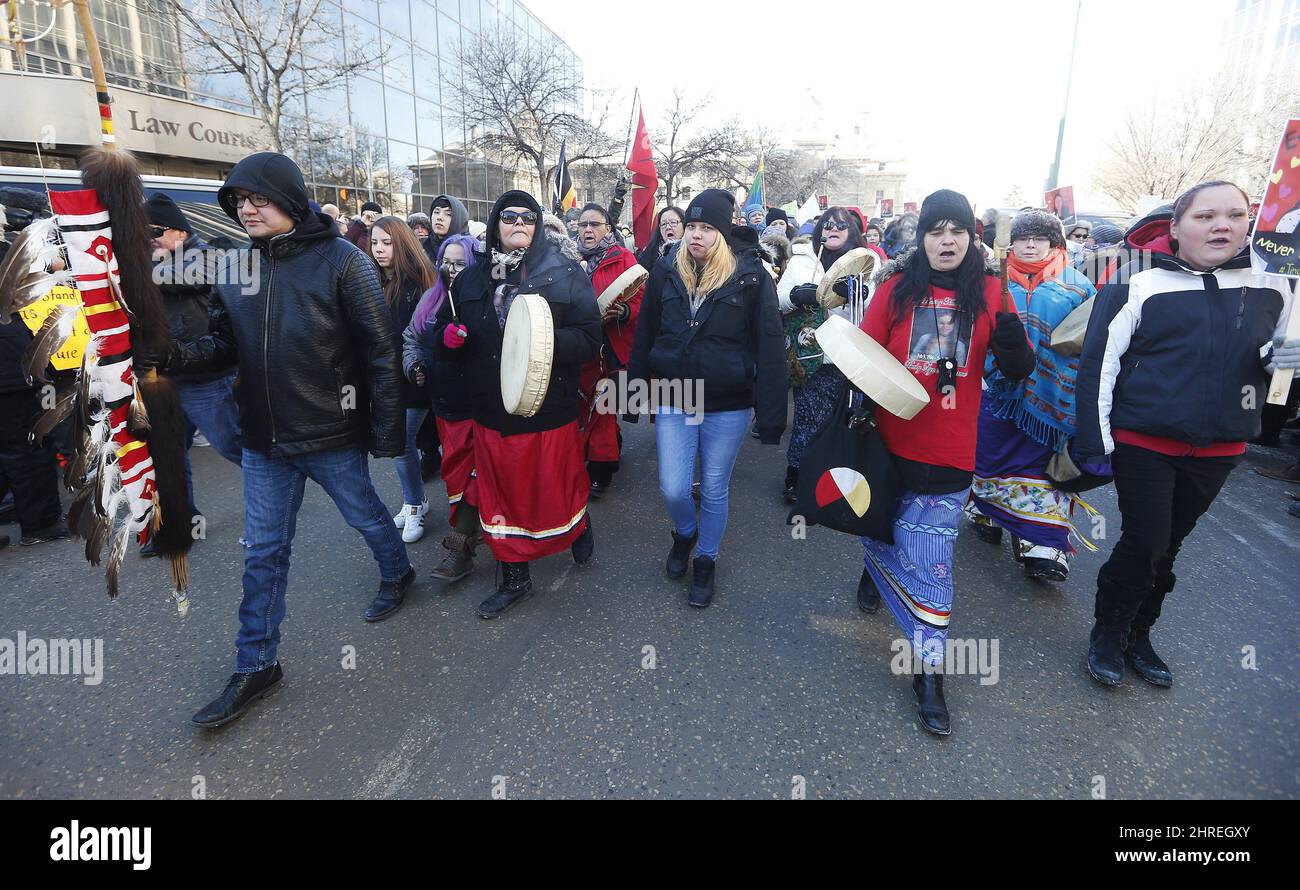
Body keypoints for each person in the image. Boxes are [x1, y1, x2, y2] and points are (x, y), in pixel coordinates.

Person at [168, 152, 412, 728]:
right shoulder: (235, 267)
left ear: (290, 199)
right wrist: (172, 356)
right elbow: (223, 347)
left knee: (367, 516)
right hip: (263, 442)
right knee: (264, 551)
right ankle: (256, 665)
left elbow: (381, 353)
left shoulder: (344, 262)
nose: (246, 209)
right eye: (238, 201)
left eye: (258, 198)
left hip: (329, 431)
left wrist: (385, 433)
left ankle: (397, 572)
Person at [1074, 181, 1297, 689]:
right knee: (1144, 541)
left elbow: (1269, 354)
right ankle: (1108, 631)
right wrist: (1095, 441)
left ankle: (1140, 632)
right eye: (1205, 216)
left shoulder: (1274, 282)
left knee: (1169, 547)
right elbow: (1099, 362)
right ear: (1175, 227)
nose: (1222, 225)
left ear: (1250, 224)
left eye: (1235, 215)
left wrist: (1283, 360)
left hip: (1221, 447)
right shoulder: (1136, 279)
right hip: (1144, 441)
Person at [857, 189, 1035, 735]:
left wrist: (1012, 344)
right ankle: (874, 571)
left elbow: (1016, 370)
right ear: (922, 237)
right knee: (883, 537)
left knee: (934, 566)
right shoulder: (894, 289)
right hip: (887, 449)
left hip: (951, 453)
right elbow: (861, 359)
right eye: (936, 230)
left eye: (957, 230)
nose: (947, 239)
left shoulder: (990, 291)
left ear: (970, 237)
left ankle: (929, 672)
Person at [432, 190, 600, 619]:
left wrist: (541, 344)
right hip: (491, 410)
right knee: (502, 494)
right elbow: (444, 334)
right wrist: (448, 342)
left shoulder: (565, 274)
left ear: (538, 225)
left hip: (550, 409)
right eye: (509, 217)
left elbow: (589, 337)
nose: (519, 223)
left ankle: (577, 525)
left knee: (556, 486)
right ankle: (514, 578)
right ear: (495, 225)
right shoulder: (469, 281)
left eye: (528, 217)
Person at [627, 188, 788, 608]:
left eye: (707, 228)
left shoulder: (751, 276)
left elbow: (771, 345)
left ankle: (706, 561)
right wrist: (634, 394)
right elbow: (646, 334)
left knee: (714, 487)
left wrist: (770, 417)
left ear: (724, 230)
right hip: (674, 394)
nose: (696, 235)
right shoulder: (666, 269)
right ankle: (684, 533)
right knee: (674, 488)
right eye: (692, 226)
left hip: (728, 400)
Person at [966, 209, 1097, 582]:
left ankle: (1042, 546)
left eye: (1039, 238)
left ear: (1054, 242)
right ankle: (987, 513)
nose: (1030, 244)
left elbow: (1089, 340)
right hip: (997, 390)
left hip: (1053, 397)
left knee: (1041, 469)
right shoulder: (992, 282)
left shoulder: (1077, 286)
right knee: (990, 456)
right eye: (1023, 238)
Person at [144, 193, 243, 554]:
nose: (147, 238)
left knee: (236, 445)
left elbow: (179, 278)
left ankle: (281, 491)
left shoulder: (209, 256)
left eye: (154, 230)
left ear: (181, 232)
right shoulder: (153, 262)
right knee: (168, 457)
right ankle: (177, 526)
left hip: (206, 376)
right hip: (165, 378)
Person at [777, 207, 871, 503]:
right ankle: (797, 473)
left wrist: (859, 294)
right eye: (827, 224)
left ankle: (834, 477)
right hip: (811, 354)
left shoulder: (867, 263)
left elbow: (879, 308)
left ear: (852, 232)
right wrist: (796, 295)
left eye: (841, 225)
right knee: (808, 418)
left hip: (849, 357)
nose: (833, 229)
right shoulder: (803, 260)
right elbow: (778, 300)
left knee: (843, 421)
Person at [404, 233, 482, 581]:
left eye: (459, 263)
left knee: (479, 474)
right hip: (445, 406)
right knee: (455, 474)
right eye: (446, 262)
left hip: (481, 406)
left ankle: (461, 546)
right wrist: (416, 367)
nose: (451, 269)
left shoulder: (488, 300)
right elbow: (412, 341)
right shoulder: (430, 300)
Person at [370, 216, 437, 544]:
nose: (379, 249)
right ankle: (416, 499)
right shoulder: (377, 280)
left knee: (401, 442)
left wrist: (417, 369)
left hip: (417, 377)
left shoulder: (421, 283)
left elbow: (421, 336)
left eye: (387, 242)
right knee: (401, 445)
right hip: (389, 378)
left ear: (402, 243)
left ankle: (415, 504)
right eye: (374, 242)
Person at [575, 203, 643, 497]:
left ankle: (600, 469)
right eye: (583, 224)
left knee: (604, 406)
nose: (588, 229)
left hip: (611, 345)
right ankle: (593, 454)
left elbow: (641, 294)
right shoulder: (568, 259)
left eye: (595, 224)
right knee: (581, 405)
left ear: (608, 229)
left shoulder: (624, 258)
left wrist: (625, 311)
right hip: (578, 346)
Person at [421, 194, 470, 268]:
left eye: (448, 214)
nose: (439, 218)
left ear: (459, 219)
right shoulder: (420, 247)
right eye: (436, 212)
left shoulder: (471, 249)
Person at [636, 206, 685, 271]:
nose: (668, 227)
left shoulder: (693, 251)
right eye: (663, 224)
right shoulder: (648, 254)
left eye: (673, 222)